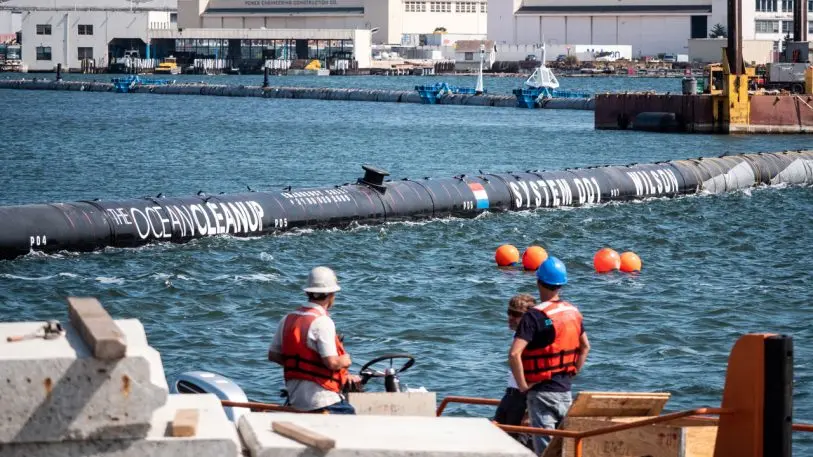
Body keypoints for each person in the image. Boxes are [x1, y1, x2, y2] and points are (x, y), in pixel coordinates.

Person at [509, 256, 591, 455]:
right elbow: (585, 347)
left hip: (541, 393)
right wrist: (572, 372)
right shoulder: (573, 311)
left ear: (538, 281)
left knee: (545, 451)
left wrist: (523, 387)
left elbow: (514, 354)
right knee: (564, 448)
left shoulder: (534, 315)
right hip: (565, 391)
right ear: (561, 284)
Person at [267, 266, 358, 414]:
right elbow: (332, 363)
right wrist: (346, 360)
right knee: (352, 417)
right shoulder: (323, 321)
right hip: (322, 401)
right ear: (332, 295)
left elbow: (273, 355)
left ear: (307, 292)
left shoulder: (288, 318)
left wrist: (302, 369)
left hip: (295, 399)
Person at [494, 293, 536, 451]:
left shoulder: (535, 339)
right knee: (496, 440)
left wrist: (529, 410)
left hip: (522, 397)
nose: (510, 318)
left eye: (516, 314)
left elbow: (544, 373)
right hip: (510, 396)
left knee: (517, 446)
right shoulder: (518, 337)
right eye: (509, 312)